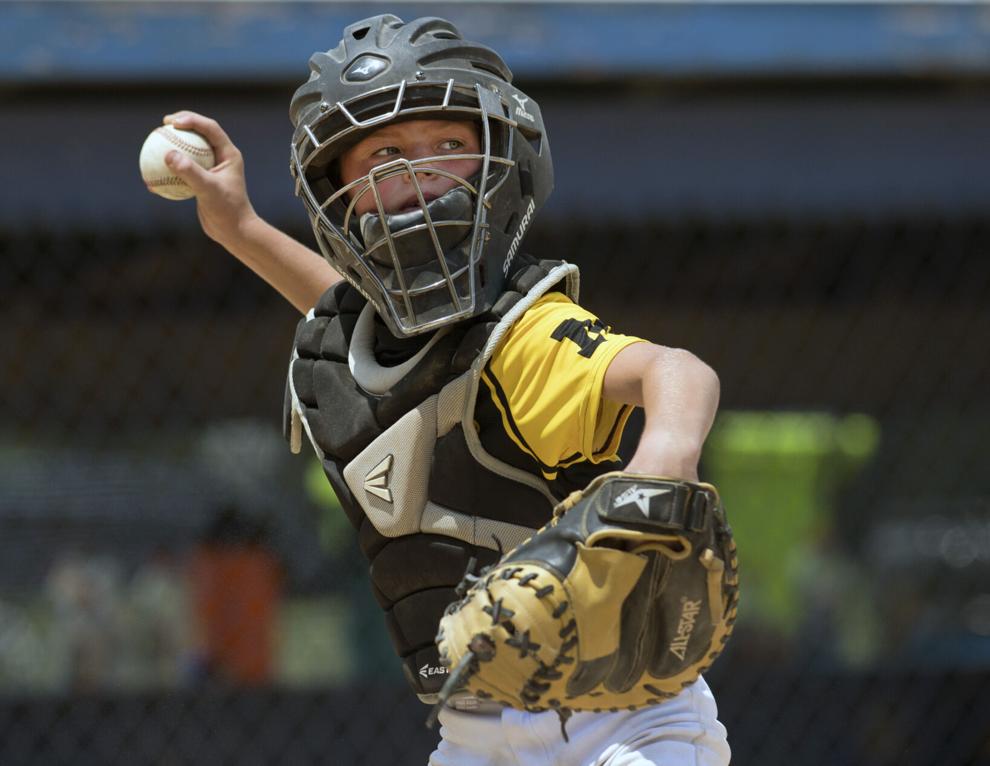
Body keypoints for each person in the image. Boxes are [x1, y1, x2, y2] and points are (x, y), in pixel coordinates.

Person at [161, 14, 730, 765]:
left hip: (620, 725)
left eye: (447, 147)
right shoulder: (356, 343)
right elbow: (348, 317)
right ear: (339, 191)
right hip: (471, 735)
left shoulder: (524, 334)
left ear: (501, 160)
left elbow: (677, 372)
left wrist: (664, 462)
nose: (414, 173)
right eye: (384, 155)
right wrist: (237, 227)